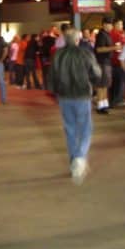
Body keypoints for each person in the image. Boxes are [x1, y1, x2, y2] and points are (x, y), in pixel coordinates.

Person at [52, 29, 102, 185]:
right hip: (82, 95)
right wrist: (93, 83)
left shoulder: (58, 55)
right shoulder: (85, 53)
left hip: (64, 95)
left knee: (70, 128)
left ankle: (75, 160)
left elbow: (52, 76)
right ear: (77, 40)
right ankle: (80, 157)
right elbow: (96, 73)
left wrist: (55, 92)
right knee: (86, 128)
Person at [94, 18, 118, 114]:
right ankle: (100, 106)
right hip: (102, 62)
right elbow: (99, 49)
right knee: (101, 85)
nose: (111, 27)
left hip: (106, 62)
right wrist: (114, 48)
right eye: (110, 25)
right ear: (104, 25)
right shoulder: (101, 35)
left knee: (105, 85)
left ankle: (104, 105)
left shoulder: (106, 35)